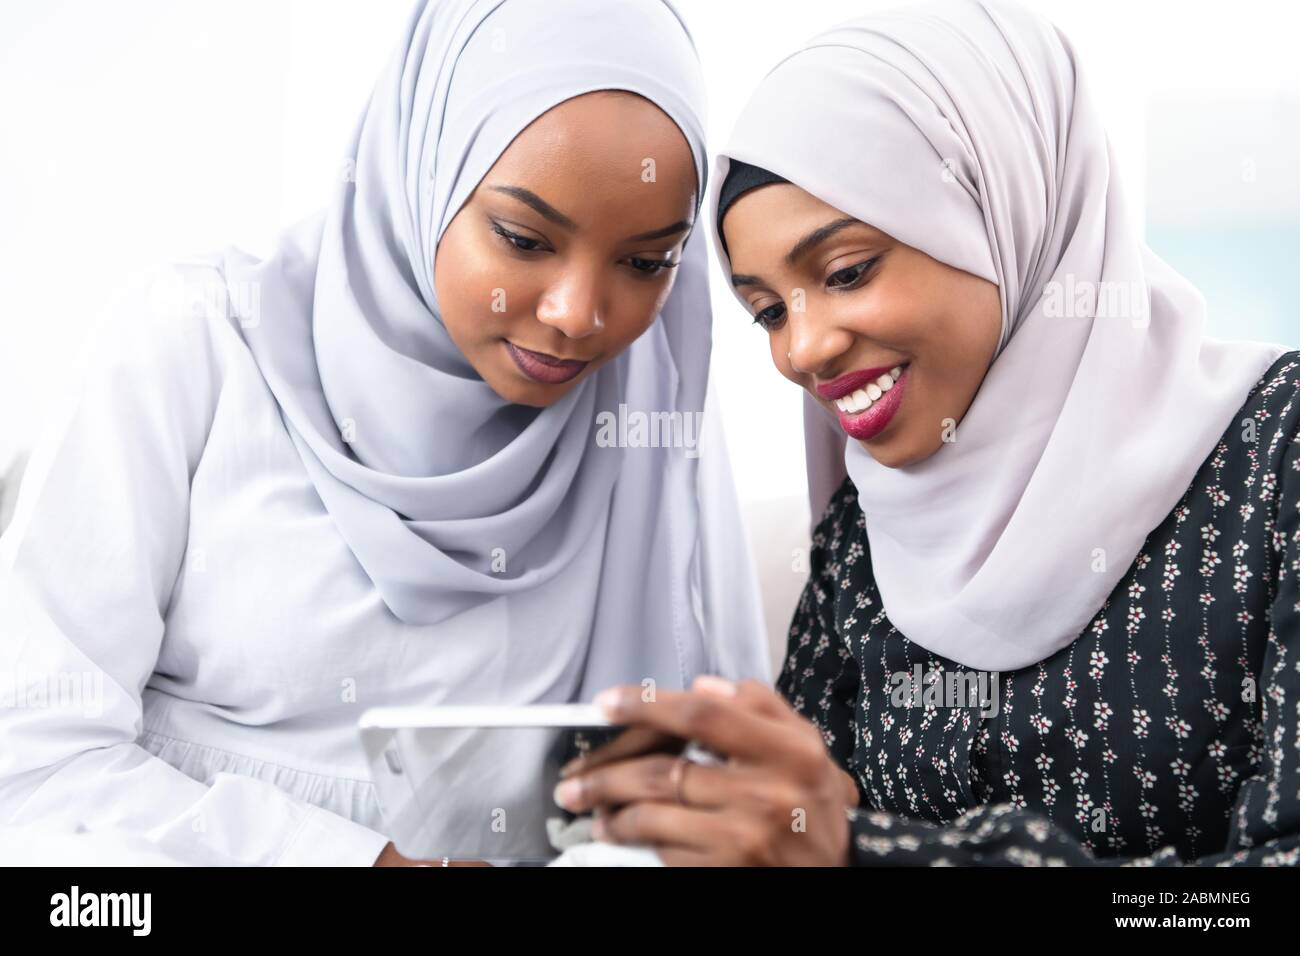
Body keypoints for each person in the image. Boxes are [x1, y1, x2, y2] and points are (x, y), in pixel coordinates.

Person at [0, 0, 767, 866]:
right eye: (522, 238)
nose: (578, 316)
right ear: (421, 167)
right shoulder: (198, 342)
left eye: (645, 262)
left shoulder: (649, 414)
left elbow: (697, 790)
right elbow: (30, 759)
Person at [557, 0, 1300, 867]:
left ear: (1003, 209)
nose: (804, 349)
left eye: (846, 271)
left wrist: (864, 853)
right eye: (766, 312)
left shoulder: (1276, 457)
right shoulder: (858, 543)